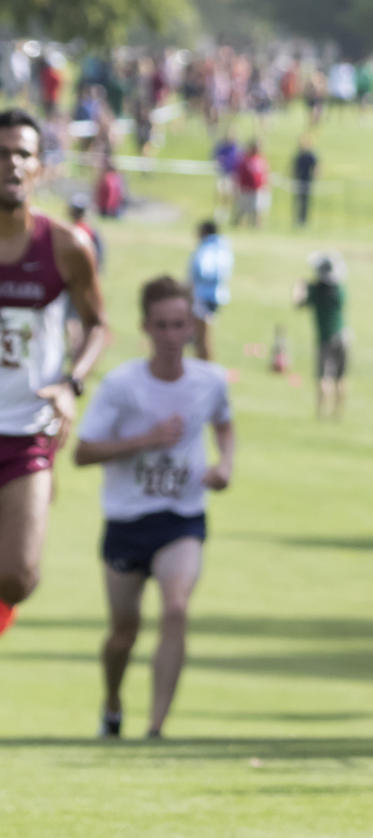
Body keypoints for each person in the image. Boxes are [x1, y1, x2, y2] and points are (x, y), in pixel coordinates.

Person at [75, 275, 233, 737]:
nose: (170, 336)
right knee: (123, 633)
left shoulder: (211, 381)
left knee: (176, 609)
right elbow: (84, 453)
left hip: (181, 517)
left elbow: (225, 424)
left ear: (192, 328)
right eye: (161, 326)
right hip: (126, 520)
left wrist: (225, 465)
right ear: (146, 327)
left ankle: (157, 729)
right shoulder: (123, 385)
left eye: (179, 325)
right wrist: (145, 440)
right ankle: (112, 701)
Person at [0, 108, 109, 637]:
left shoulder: (66, 246)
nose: (11, 164)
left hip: (28, 429)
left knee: (18, 576)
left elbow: (97, 326)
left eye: (23, 154)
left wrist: (72, 384)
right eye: (1, 154)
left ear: (41, 168)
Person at [294, 253, 348, 420]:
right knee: (341, 378)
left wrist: (300, 287)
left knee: (323, 378)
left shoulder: (316, 291)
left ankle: (321, 414)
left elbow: (298, 304)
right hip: (344, 336)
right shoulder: (339, 290)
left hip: (325, 338)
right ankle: (337, 415)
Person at [185, 220, 231, 362]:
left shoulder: (208, 248)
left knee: (202, 337)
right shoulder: (222, 246)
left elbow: (205, 269)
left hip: (202, 296)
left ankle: (204, 367)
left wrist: (192, 284)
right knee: (201, 336)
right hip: (214, 295)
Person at [232, 140, 269, 228]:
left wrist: (266, 186)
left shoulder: (261, 160)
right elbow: (238, 175)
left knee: (257, 210)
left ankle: (256, 227)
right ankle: (236, 225)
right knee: (242, 209)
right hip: (246, 189)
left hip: (258, 189)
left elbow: (265, 174)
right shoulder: (245, 160)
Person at [291, 136, 318, 228]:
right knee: (298, 201)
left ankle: (304, 220)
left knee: (306, 202)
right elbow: (294, 168)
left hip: (307, 182)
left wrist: (315, 178)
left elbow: (315, 169)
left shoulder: (311, 156)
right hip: (299, 181)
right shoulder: (300, 155)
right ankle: (298, 219)